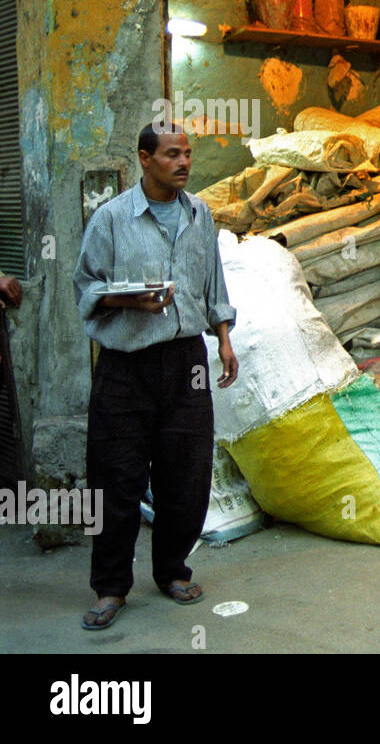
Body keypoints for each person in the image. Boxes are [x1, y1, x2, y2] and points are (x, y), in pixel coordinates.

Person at [71, 121, 239, 631]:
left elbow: (214, 280)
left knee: (184, 476)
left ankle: (171, 570)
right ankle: (110, 587)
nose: (183, 162)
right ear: (145, 159)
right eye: (171, 154)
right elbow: (86, 288)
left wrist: (224, 335)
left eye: (187, 153)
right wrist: (130, 299)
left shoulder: (200, 214)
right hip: (126, 365)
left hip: (186, 361)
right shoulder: (112, 219)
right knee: (116, 478)